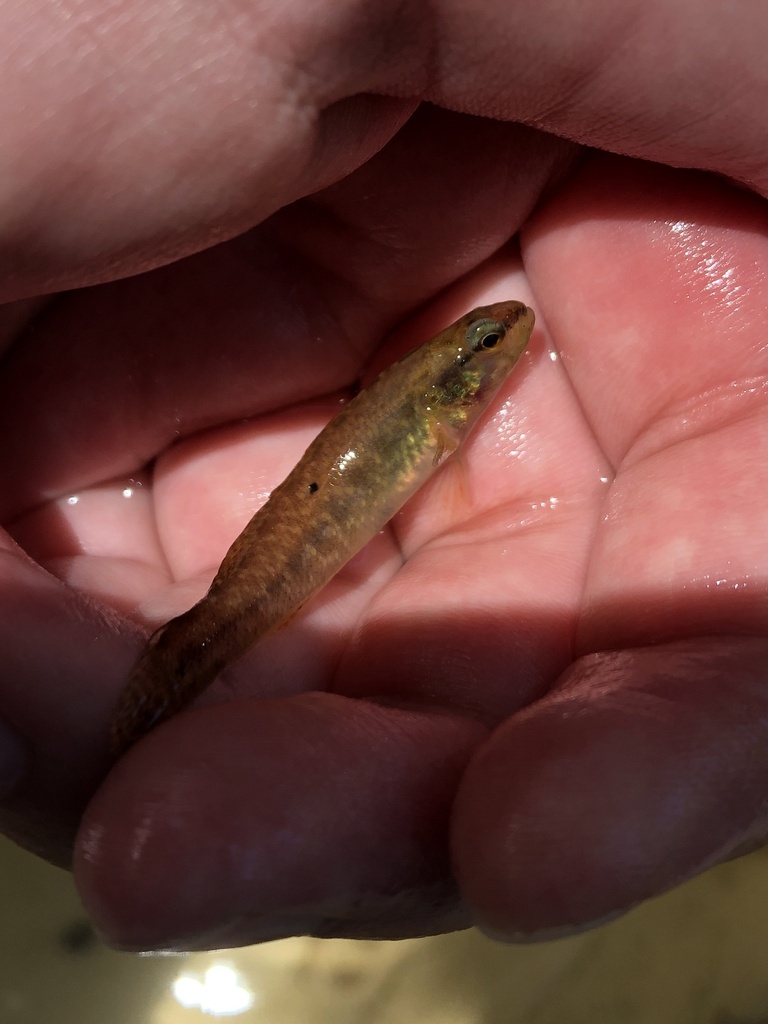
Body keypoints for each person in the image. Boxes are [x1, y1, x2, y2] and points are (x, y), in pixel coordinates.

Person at [0, 0, 765, 951]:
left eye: (490, 345)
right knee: (212, 650)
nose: (503, 345)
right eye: (482, 350)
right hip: (279, 526)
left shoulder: (441, 397)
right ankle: (155, 702)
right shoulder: (439, 402)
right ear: (451, 386)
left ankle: (156, 705)